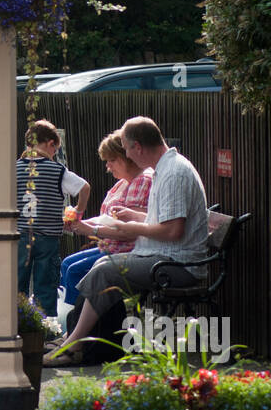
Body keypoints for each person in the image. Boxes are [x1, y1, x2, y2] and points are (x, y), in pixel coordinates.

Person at [44, 116, 208, 367]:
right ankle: (74, 338)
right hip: (163, 255)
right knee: (101, 268)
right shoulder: (167, 168)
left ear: (138, 147)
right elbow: (167, 220)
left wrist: (132, 226)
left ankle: (75, 343)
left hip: (177, 264)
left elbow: (174, 230)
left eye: (127, 148)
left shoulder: (174, 173)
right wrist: (137, 217)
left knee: (105, 271)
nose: (128, 156)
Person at [56, 130, 153, 312]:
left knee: (75, 270)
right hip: (111, 247)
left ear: (126, 157)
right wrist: (80, 222)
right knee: (67, 263)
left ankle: (75, 324)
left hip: (128, 251)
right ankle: (68, 320)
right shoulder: (124, 181)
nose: (108, 166)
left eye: (112, 160)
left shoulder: (142, 181)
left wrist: (90, 230)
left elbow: (130, 232)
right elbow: (106, 218)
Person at [17, 119, 90, 317]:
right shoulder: (58, 171)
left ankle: (17, 322)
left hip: (20, 235)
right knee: (46, 285)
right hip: (48, 237)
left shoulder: (14, 169)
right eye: (55, 150)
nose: (54, 154)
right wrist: (78, 212)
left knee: (17, 283)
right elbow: (84, 188)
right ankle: (45, 325)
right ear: (50, 144)